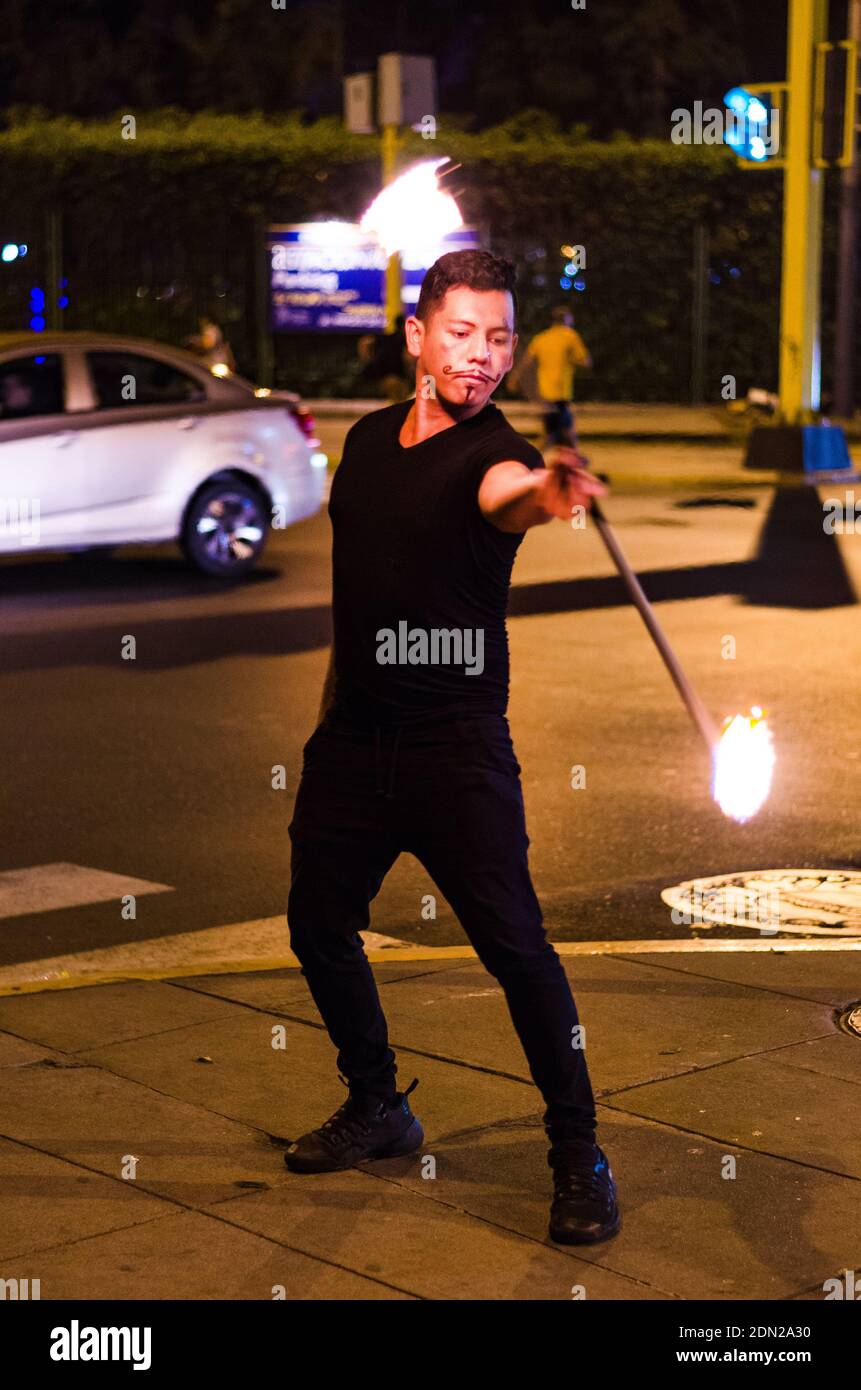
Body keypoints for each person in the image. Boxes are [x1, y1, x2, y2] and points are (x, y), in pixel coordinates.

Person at [284, 250, 620, 1246]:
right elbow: (361, 595)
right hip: (353, 740)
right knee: (315, 923)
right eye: (465, 333)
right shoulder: (366, 443)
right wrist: (331, 712)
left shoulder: (494, 457)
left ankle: (580, 1151)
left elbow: (514, 495)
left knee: (517, 952)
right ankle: (378, 1101)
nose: (483, 358)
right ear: (418, 337)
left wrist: (554, 490)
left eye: (500, 338)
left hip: (454, 749)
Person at [526, 305, 592, 447]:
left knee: (550, 434)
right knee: (567, 431)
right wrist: (572, 360)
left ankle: (534, 460)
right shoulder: (570, 336)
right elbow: (586, 361)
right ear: (566, 320)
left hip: (544, 391)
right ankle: (577, 462)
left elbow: (528, 361)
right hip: (561, 391)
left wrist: (514, 379)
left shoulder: (541, 338)